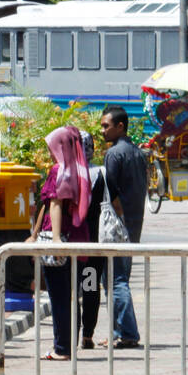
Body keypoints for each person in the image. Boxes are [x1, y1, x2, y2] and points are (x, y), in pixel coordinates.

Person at [28, 126, 92, 360]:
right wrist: (34, 234)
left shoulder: (59, 170)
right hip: (77, 237)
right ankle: (68, 345)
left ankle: (62, 348)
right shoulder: (80, 169)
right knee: (72, 294)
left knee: (59, 297)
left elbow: (54, 204)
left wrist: (54, 239)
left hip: (60, 237)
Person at [99, 105, 147, 349]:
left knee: (116, 281)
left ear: (120, 126)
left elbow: (112, 193)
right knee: (119, 279)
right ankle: (120, 330)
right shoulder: (138, 153)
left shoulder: (114, 154)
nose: (102, 130)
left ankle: (126, 332)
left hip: (117, 228)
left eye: (106, 125)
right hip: (133, 226)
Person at [77, 128, 108, 349]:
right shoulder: (103, 173)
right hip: (95, 240)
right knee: (90, 285)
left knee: (70, 288)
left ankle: (69, 333)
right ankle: (87, 334)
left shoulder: (65, 173)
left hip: (71, 240)